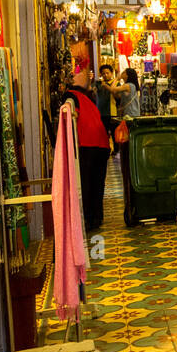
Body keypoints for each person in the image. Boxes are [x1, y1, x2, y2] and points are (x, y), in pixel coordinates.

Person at [62, 67, 111, 231]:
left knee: (86, 183)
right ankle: (97, 218)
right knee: (97, 183)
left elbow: (72, 116)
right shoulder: (87, 99)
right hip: (102, 144)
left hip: (87, 145)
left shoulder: (70, 96)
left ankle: (88, 220)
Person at [96, 63, 123, 144]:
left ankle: (116, 151)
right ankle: (106, 151)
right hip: (101, 113)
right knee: (103, 135)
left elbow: (119, 97)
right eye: (103, 73)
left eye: (107, 73)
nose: (105, 75)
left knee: (115, 134)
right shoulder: (98, 84)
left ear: (111, 73)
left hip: (113, 112)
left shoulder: (116, 83)